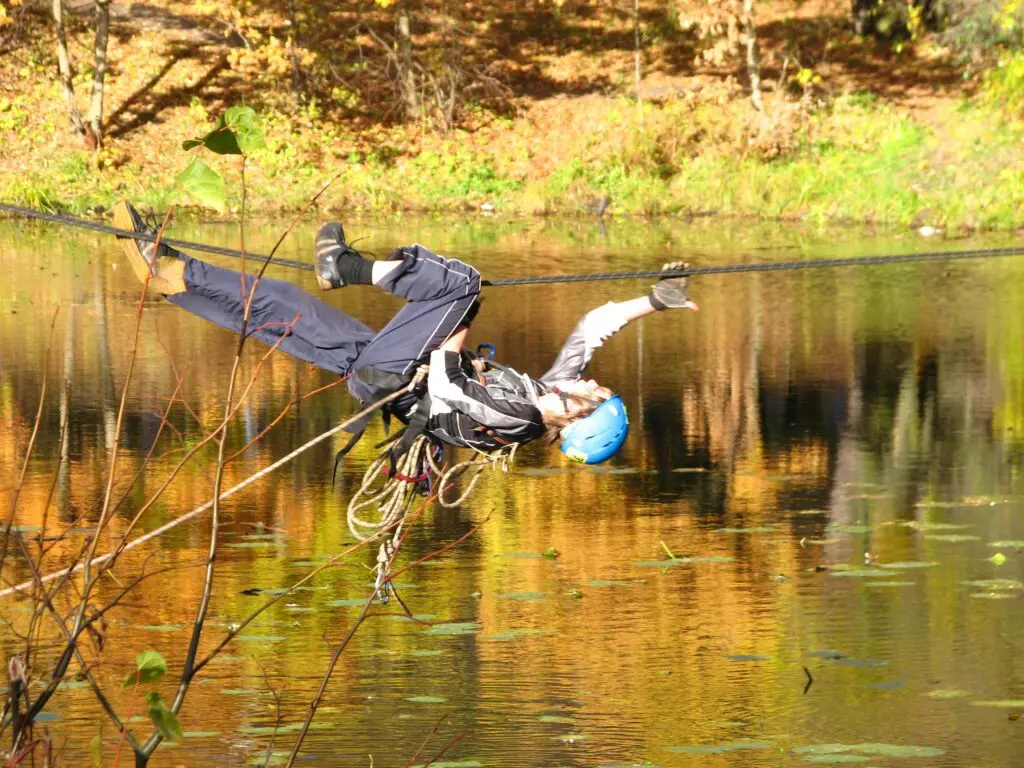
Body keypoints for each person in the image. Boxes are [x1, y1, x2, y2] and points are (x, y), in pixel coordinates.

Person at [111, 201, 698, 465]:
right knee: (281, 309)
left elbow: (450, 387)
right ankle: (168, 273)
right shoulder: (552, 389)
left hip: (396, 377)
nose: (595, 382)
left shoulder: (519, 420)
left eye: (598, 395)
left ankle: (346, 268)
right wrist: (654, 301)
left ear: (580, 415)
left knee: (460, 287)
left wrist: (456, 332)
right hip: (376, 370)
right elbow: (593, 327)